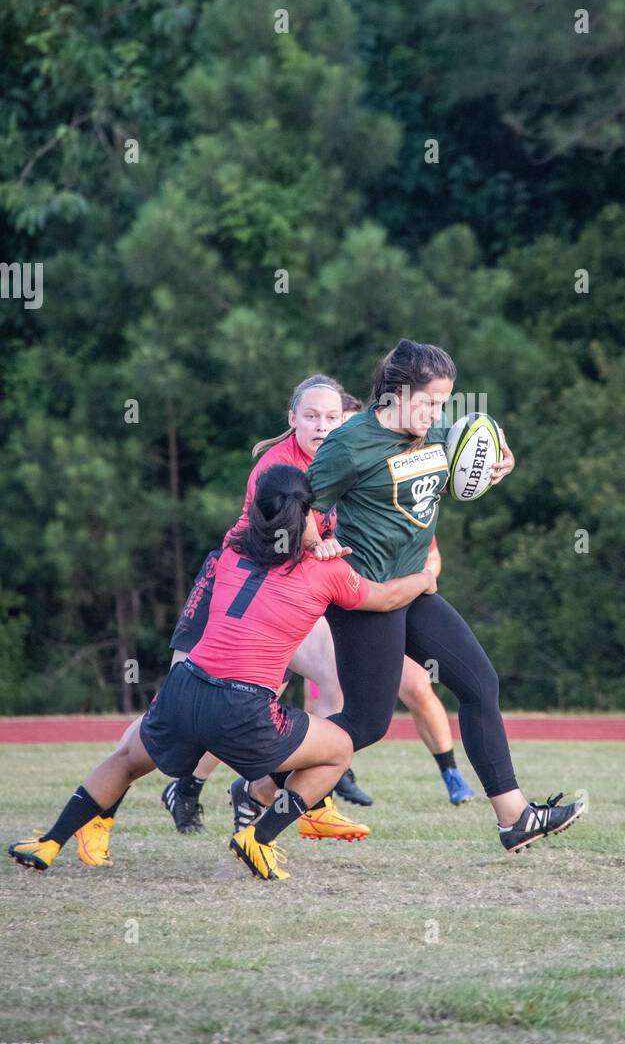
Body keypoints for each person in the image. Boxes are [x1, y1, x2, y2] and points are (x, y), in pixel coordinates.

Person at [232, 339, 585, 855]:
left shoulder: (434, 433)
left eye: (444, 403)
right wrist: (316, 539)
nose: (438, 414)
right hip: (366, 595)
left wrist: (494, 468)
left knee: (479, 683)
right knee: (365, 726)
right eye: (428, 403)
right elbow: (296, 504)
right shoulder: (350, 443)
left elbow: (457, 467)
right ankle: (260, 790)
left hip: (411, 588)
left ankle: (515, 819)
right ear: (395, 393)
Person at [8, 465, 436, 881]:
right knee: (340, 748)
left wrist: (307, 535)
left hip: (186, 688)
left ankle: (49, 842)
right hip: (242, 707)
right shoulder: (326, 572)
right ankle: (259, 837)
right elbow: (383, 599)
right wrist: (423, 577)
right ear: (305, 514)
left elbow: (266, 534)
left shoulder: (232, 548)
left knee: (126, 760)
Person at [305, 392, 474, 810]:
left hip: (388, 594)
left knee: (417, 687)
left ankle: (453, 774)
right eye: (316, 417)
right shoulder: (334, 461)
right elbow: (292, 515)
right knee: (334, 696)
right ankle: (292, 777)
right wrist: (316, 542)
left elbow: (430, 552)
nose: (326, 427)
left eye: (334, 418)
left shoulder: (406, 468)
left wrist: (494, 462)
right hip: (327, 596)